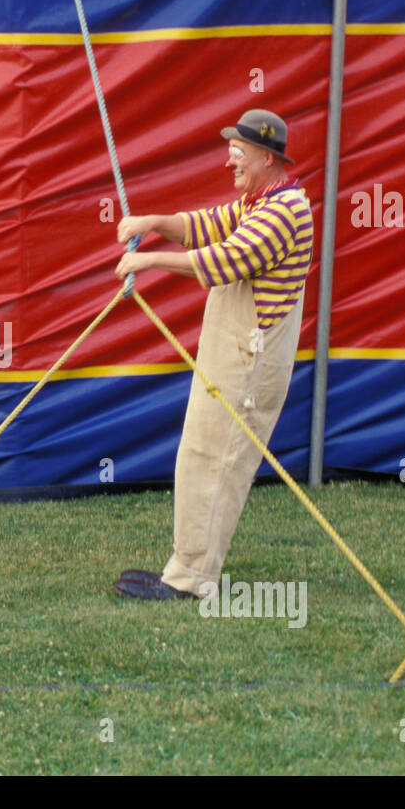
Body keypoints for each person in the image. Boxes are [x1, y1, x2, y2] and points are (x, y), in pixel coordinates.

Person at [111, 110, 313, 601]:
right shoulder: (260, 200)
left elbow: (227, 259)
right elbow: (208, 225)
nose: (230, 160)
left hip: (248, 361)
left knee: (216, 460)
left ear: (268, 157)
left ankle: (191, 579)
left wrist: (149, 258)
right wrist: (155, 222)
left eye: (239, 151)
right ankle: (187, 566)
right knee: (201, 455)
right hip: (235, 354)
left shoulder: (283, 212)